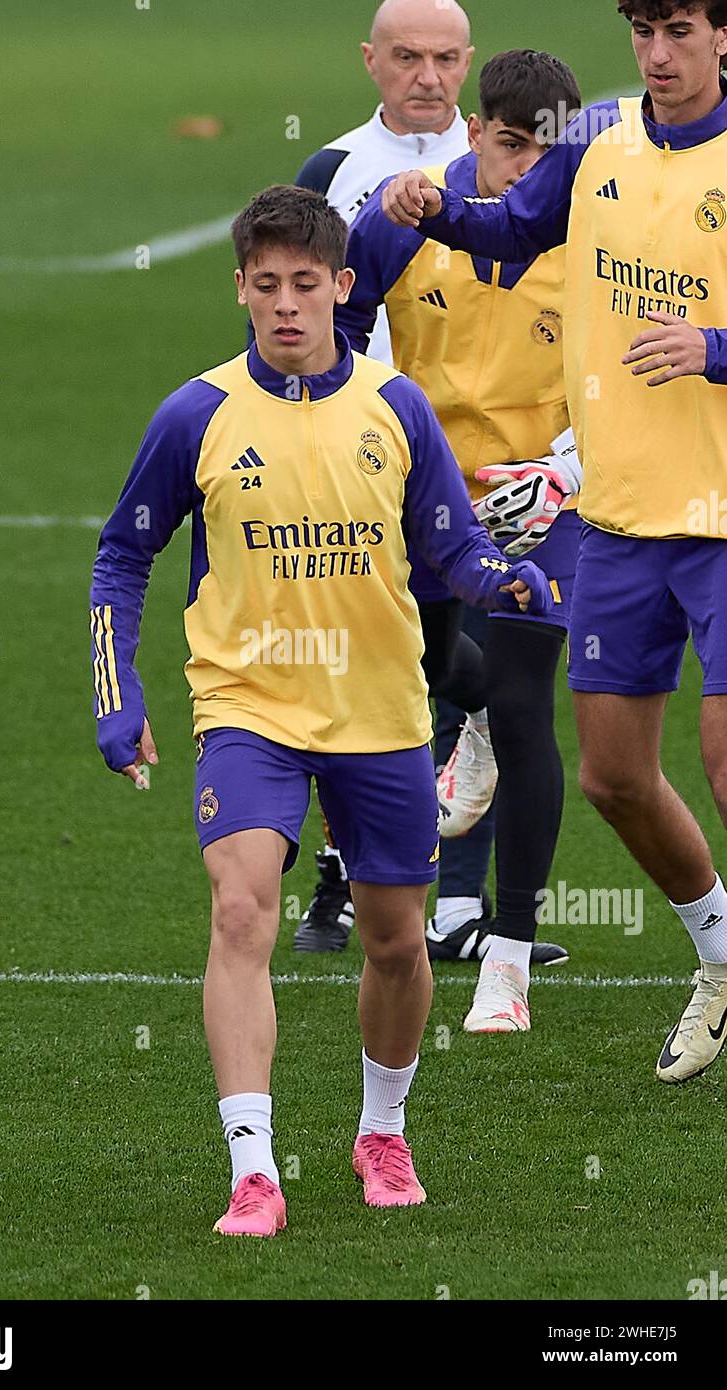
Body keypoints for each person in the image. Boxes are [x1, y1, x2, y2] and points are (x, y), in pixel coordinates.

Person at [89, 184, 552, 1237]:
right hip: (246, 702)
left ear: (342, 288)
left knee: (395, 942)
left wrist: (500, 580)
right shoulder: (195, 415)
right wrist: (119, 696)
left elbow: (448, 546)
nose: (286, 304)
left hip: (380, 707)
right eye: (266, 286)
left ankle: (379, 1131)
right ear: (240, 290)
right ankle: (251, 1166)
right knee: (241, 905)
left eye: (306, 284)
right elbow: (123, 553)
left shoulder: (394, 407)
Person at [382, 0, 727, 1081]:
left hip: (721, 518)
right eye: (641, 30)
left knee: (722, 763)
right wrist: (436, 206)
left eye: (677, 29)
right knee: (614, 779)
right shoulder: (592, 139)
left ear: (722, 35)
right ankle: (719, 957)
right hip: (619, 517)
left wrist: (712, 345)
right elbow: (509, 229)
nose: (657, 54)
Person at [298, 50, 581, 1034]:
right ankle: (470, 727)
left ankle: (505, 953)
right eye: (506, 146)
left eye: (542, 154)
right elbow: (340, 316)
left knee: (521, 700)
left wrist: (566, 471)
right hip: (428, 497)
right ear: (473, 132)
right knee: (423, 666)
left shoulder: (585, 232)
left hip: (546, 502)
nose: (520, 172)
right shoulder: (405, 213)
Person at [295, 0, 474, 363]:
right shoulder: (328, 170)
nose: (428, 78)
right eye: (407, 57)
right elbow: (284, 293)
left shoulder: (500, 167)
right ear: (371, 59)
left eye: (446, 59)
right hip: (358, 409)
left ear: (467, 62)